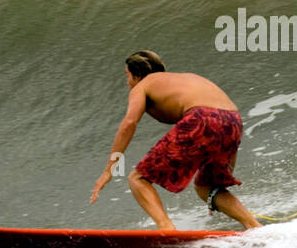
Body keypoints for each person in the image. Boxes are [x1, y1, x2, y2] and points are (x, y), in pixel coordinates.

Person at [89, 50, 261, 231]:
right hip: (233, 120)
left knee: (138, 178)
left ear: (138, 75)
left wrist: (110, 168)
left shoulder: (142, 86)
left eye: (128, 76)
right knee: (206, 187)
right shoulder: (185, 78)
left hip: (201, 117)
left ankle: (166, 228)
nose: (127, 82)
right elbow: (220, 117)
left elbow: (129, 124)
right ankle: (255, 227)